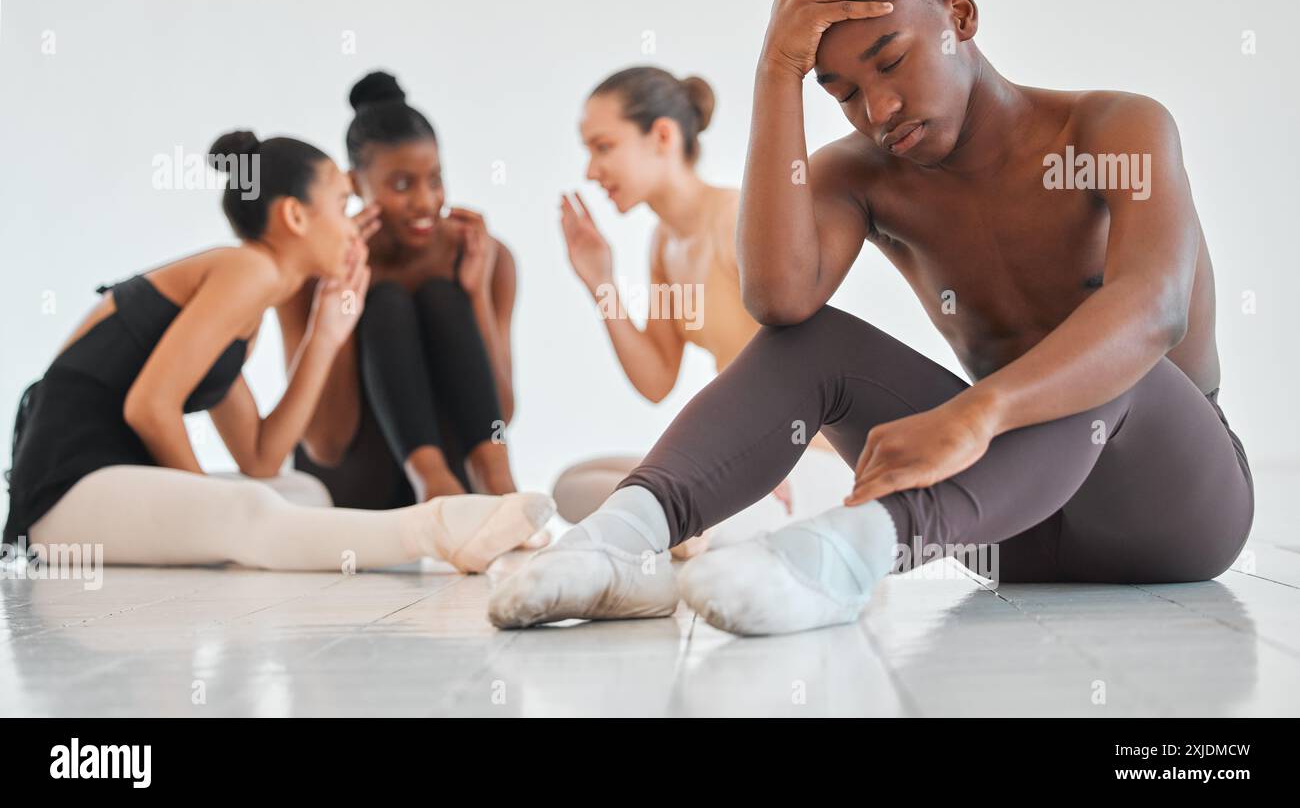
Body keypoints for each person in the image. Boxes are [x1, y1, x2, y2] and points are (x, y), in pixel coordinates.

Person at [486, 0, 1253, 635]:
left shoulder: (1113, 128)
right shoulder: (862, 175)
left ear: (960, 13)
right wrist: (775, 71)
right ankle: (621, 544)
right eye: (842, 92)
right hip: (1007, 526)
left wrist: (980, 411)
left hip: (1172, 508)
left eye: (891, 61)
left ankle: (842, 555)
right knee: (810, 340)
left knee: (1112, 348)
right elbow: (779, 300)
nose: (879, 108)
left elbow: (1154, 309)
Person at [3, 130, 552, 573]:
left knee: (301, 489)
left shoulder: (248, 300)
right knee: (245, 510)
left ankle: (448, 526)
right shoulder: (247, 270)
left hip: (113, 481)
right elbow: (149, 405)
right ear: (293, 216)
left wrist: (325, 336)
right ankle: (440, 529)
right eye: (342, 203)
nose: (354, 222)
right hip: (65, 491)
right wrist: (205, 505)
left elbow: (261, 456)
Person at [555, 66, 816, 559]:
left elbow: (803, 353)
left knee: (627, 498)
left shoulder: (735, 216)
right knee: (571, 486)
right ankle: (690, 527)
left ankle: (699, 526)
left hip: (799, 452)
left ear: (662, 135)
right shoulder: (664, 244)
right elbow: (656, 379)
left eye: (603, 147)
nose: (591, 171)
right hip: (735, 451)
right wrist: (601, 283)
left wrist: (767, 454)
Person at [280, 72, 541, 555]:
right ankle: (432, 483)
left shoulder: (486, 255)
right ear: (355, 184)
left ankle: (497, 487)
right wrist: (339, 286)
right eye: (402, 185)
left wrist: (476, 294)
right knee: (386, 303)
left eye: (435, 180)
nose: (425, 202)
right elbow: (324, 443)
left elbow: (499, 414)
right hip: (361, 492)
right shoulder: (311, 267)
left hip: (469, 487)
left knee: (442, 296)